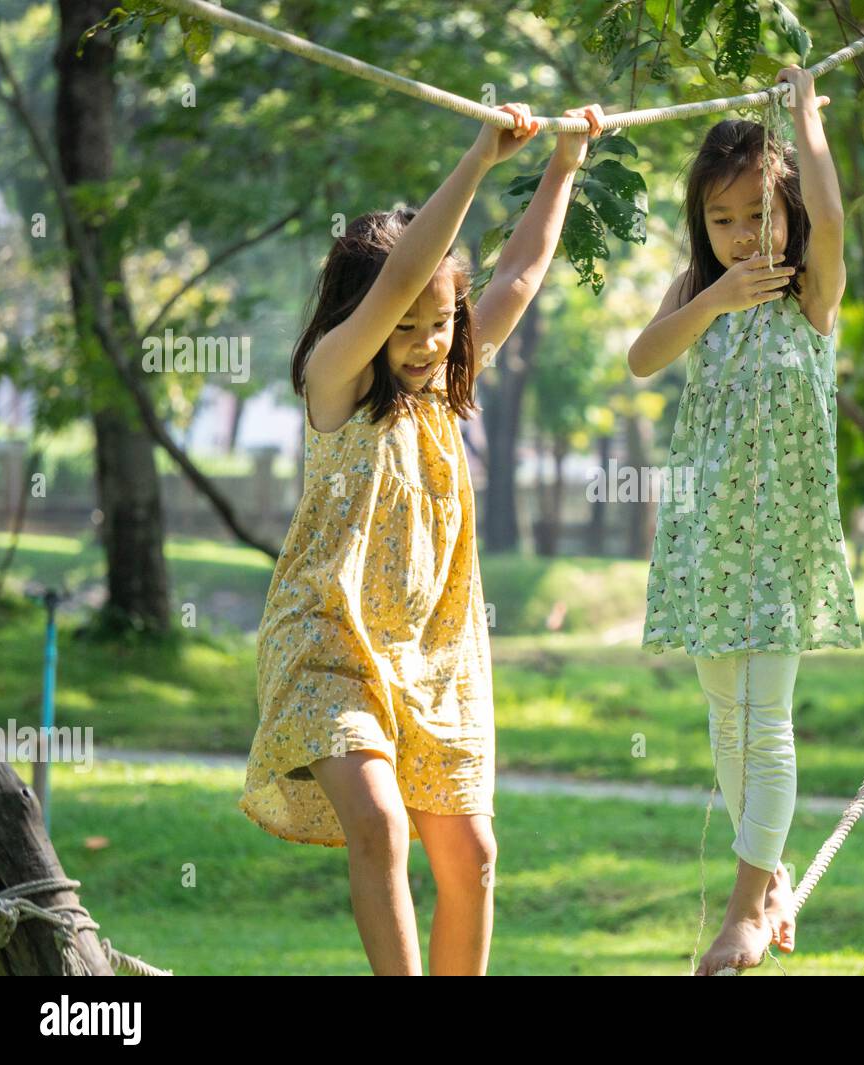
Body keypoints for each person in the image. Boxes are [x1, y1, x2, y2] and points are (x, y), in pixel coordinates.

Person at [239, 101, 605, 975]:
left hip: (436, 657)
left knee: (472, 858)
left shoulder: (446, 391)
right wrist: (480, 157)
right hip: (326, 645)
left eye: (439, 322)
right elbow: (405, 273)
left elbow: (516, 273)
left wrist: (562, 164)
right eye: (404, 323)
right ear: (360, 313)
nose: (424, 340)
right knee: (381, 824)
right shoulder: (335, 380)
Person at [628, 67, 861, 975]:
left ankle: (740, 912)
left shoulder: (812, 294)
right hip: (706, 539)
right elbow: (645, 358)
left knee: (766, 722)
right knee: (725, 721)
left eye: (757, 215)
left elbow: (834, 223)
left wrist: (806, 125)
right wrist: (712, 296)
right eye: (721, 219)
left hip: (783, 543)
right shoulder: (700, 287)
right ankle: (770, 876)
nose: (740, 235)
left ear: (787, 212)